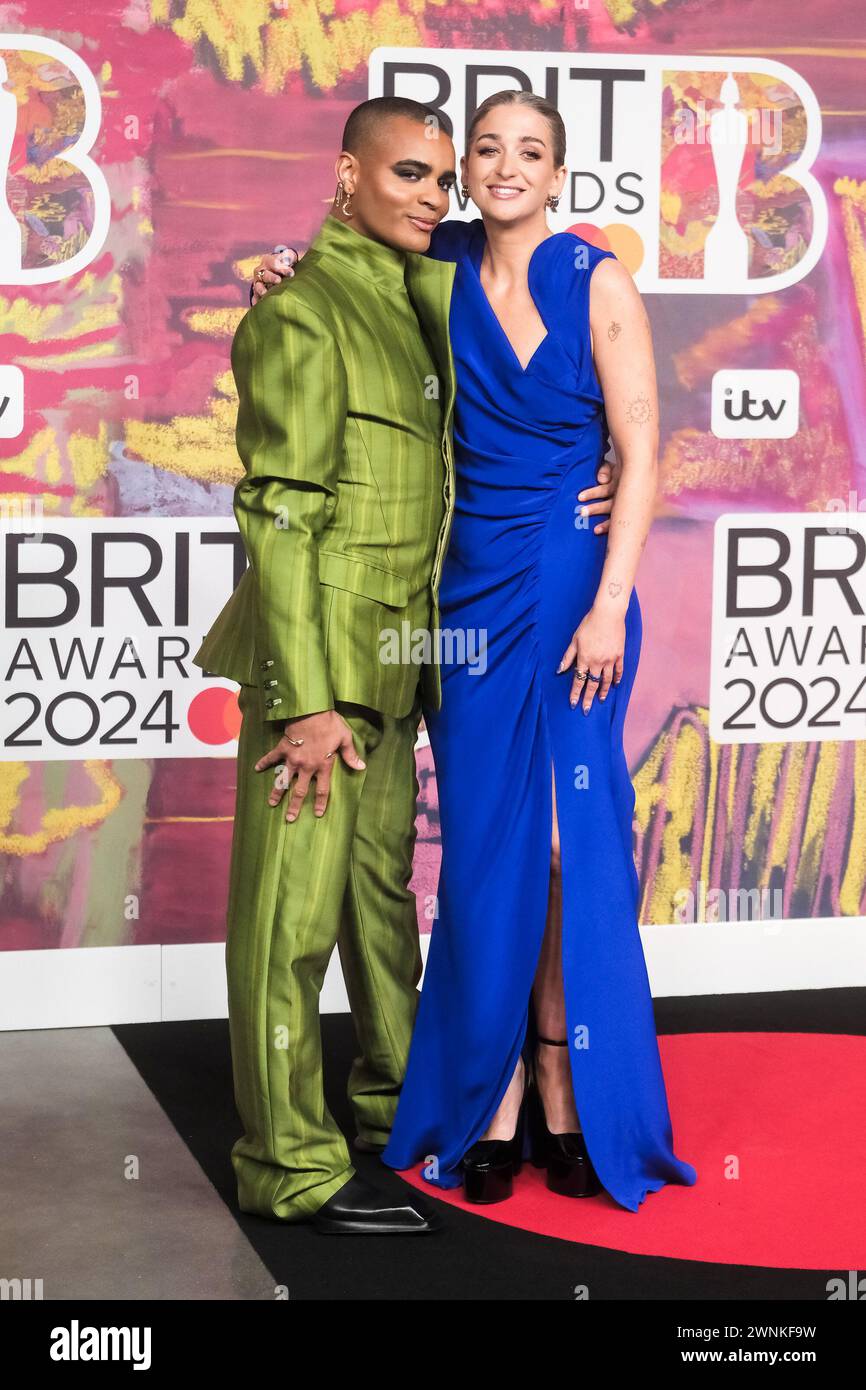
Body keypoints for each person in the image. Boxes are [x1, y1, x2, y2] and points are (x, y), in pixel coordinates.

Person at [247, 91, 689, 1212]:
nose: (492, 171)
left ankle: (563, 1086)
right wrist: (277, 277)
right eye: (477, 154)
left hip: (573, 581)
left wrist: (610, 600)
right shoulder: (431, 266)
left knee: (560, 842)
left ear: (558, 174)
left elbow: (640, 452)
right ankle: (487, 1096)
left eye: (523, 153)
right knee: (486, 847)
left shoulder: (595, 279)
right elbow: (335, 280)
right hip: (463, 592)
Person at [193, 96, 466, 1234]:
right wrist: (304, 701)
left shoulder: (414, 296)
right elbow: (281, 516)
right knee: (287, 926)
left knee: (380, 909)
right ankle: (287, 1165)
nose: (430, 196)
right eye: (407, 173)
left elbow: (520, 299)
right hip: (319, 675)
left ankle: (388, 1106)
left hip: (396, 662)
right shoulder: (304, 311)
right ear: (346, 174)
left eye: (441, 181)